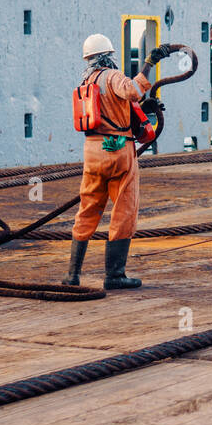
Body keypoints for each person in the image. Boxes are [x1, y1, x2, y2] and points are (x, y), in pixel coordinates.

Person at [63, 33, 152, 289]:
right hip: (117, 151)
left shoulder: (86, 80)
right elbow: (134, 91)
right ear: (108, 56)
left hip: (92, 151)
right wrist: (149, 63)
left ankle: (72, 275)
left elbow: (112, 108)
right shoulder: (112, 76)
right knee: (124, 208)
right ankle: (114, 275)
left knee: (88, 208)